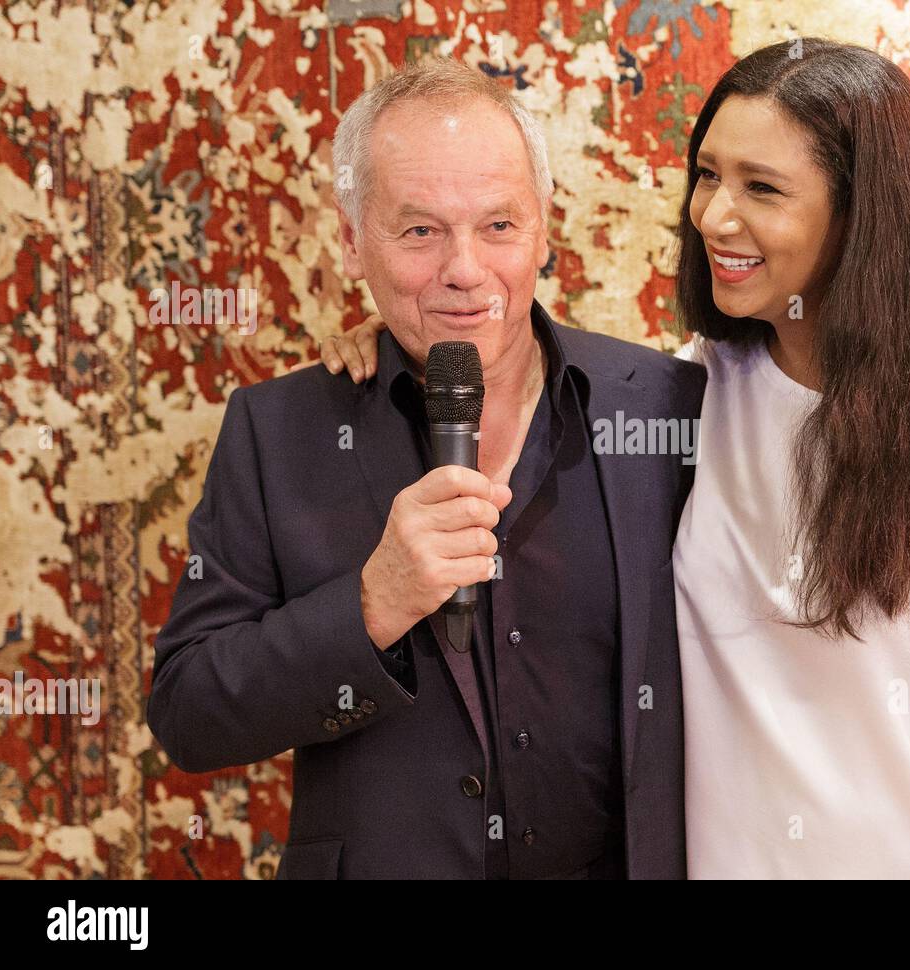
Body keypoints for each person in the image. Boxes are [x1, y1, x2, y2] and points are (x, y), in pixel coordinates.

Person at [321, 39, 910, 879]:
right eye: (708, 175)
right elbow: (518, 342)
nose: (713, 215)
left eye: (763, 189)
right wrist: (404, 337)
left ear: (861, 214)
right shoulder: (697, 393)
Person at [147, 59, 705, 880]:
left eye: (498, 227)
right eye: (419, 231)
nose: (465, 270)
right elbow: (190, 713)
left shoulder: (665, 407)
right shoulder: (280, 431)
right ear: (351, 238)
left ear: (544, 227)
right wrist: (372, 605)